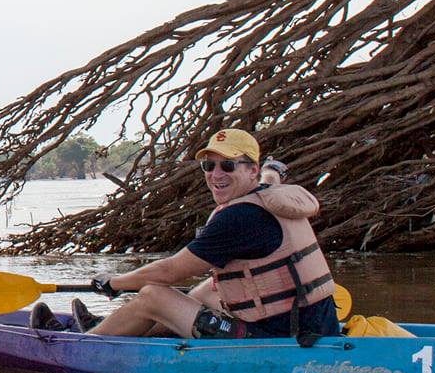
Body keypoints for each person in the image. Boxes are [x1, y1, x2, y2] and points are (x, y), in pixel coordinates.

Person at [68, 129, 339, 344]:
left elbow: (169, 271)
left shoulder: (239, 217)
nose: (215, 174)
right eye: (209, 165)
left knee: (153, 295)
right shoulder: (271, 195)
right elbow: (270, 177)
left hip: (278, 341)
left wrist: (114, 283)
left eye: (228, 165)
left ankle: (84, 344)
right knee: (207, 289)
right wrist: (271, 168)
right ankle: (119, 328)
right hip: (313, 325)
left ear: (252, 170)